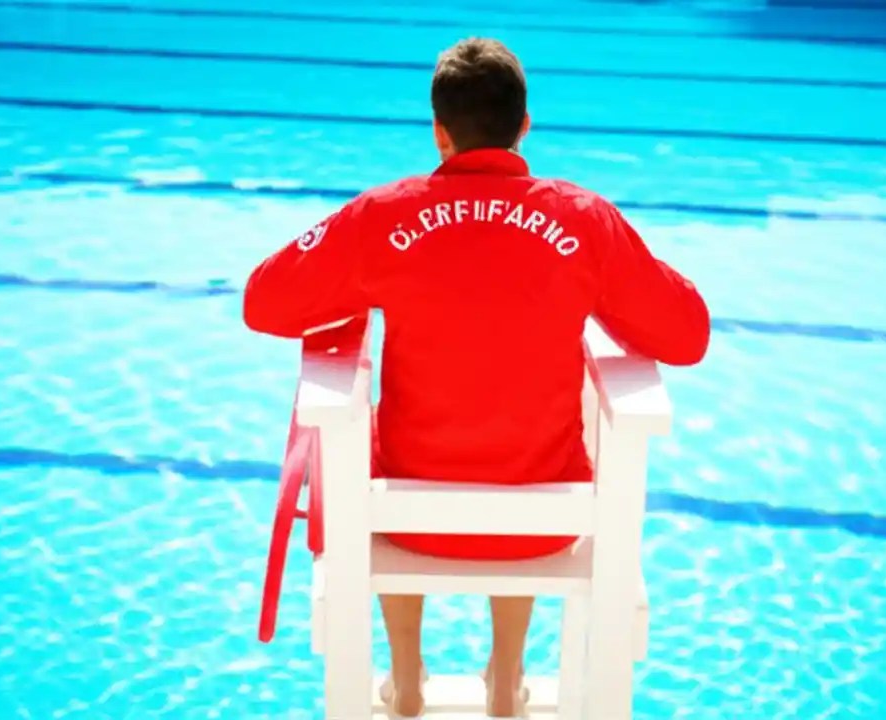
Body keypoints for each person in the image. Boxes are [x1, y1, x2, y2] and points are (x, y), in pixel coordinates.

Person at [244, 37, 709, 719]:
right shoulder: (583, 221)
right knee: (525, 434)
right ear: (525, 127)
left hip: (400, 514)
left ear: (439, 133)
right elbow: (686, 334)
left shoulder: (383, 216)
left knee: (382, 450)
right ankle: (505, 678)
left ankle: (404, 680)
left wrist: (360, 289)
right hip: (542, 521)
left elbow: (265, 301)